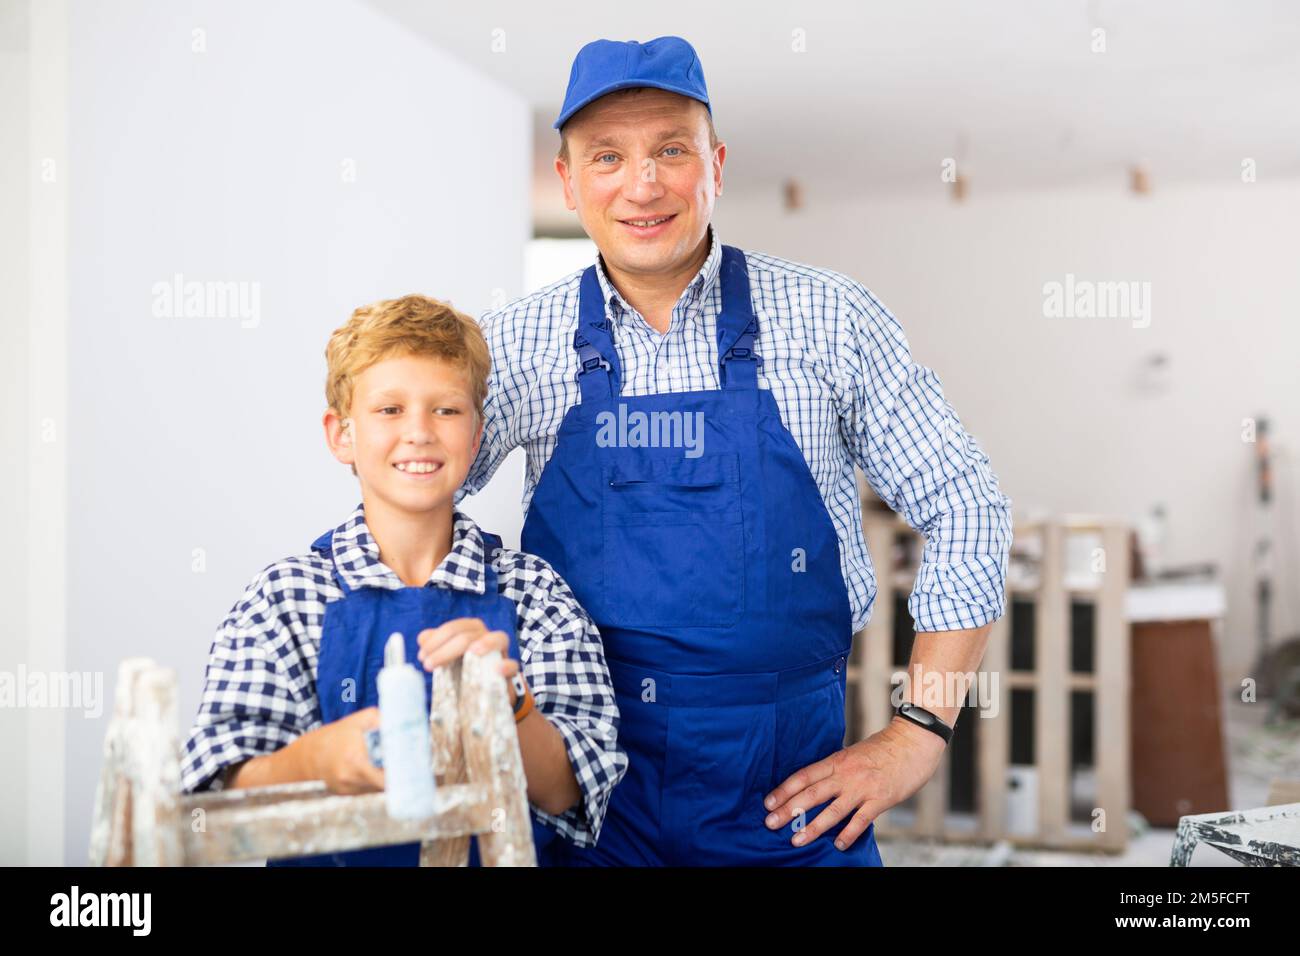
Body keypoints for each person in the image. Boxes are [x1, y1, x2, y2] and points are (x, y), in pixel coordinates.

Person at [459, 37, 1014, 866]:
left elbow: (967, 505)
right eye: (608, 156)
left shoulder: (831, 317)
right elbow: (416, 500)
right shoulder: (511, 345)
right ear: (570, 181)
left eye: (670, 151)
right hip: (587, 791)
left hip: (795, 792)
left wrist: (920, 729)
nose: (643, 184)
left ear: (714, 164)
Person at [180, 294, 627, 865]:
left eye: (445, 410)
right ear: (341, 434)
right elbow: (216, 794)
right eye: (389, 410)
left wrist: (512, 707)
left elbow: (571, 788)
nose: (418, 432)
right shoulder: (285, 599)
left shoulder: (535, 594)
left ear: (475, 436)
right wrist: (315, 762)